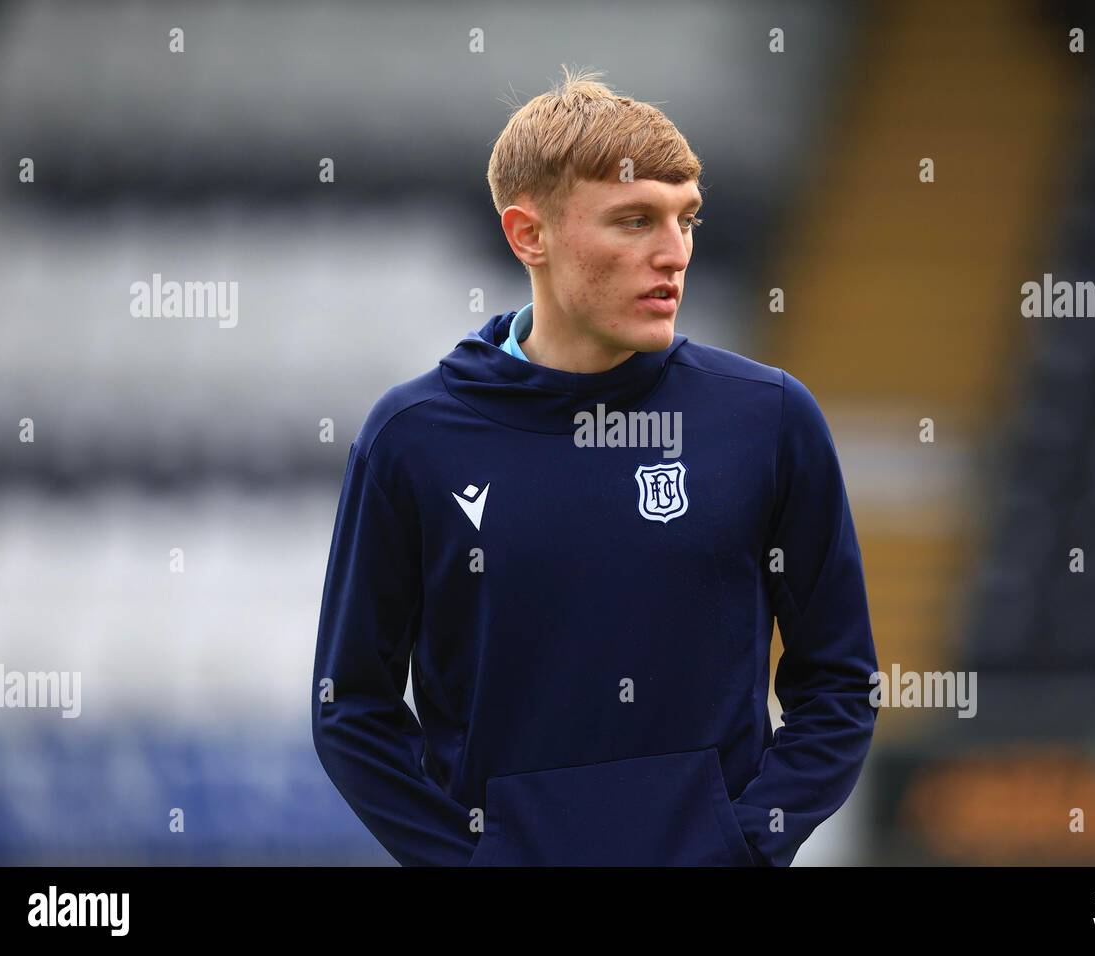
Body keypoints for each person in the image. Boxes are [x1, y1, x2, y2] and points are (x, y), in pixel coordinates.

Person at [311, 65, 878, 867]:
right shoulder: (413, 438)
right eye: (635, 221)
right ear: (528, 235)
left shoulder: (768, 419)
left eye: (687, 219)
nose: (675, 254)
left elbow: (839, 683)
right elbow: (351, 708)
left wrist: (746, 844)